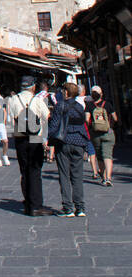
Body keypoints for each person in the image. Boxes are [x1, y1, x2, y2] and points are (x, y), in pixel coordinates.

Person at [6, 77, 51, 215]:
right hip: (35, 137)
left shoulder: (12, 100)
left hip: (20, 138)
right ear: (33, 87)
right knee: (35, 171)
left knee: (24, 171)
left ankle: (28, 202)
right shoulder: (37, 100)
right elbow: (47, 115)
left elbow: (9, 119)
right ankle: (36, 206)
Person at [47, 82, 93, 217]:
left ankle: (68, 208)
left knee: (64, 175)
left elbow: (54, 126)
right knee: (77, 176)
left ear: (66, 92)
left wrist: (47, 139)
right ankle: (80, 208)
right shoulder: (80, 106)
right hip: (79, 142)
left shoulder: (59, 106)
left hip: (64, 143)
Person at [88, 86, 117, 186]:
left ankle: (104, 177)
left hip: (95, 134)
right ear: (101, 94)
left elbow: (87, 119)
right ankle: (108, 177)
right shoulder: (107, 104)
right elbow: (115, 118)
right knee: (107, 155)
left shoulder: (89, 105)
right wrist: (111, 126)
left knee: (99, 156)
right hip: (108, 132)